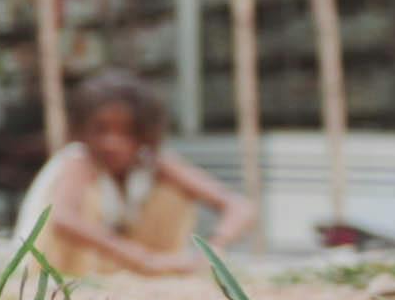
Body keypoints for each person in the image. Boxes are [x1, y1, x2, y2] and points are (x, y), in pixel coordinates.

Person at [16, 74, 236, 279]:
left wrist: (215, 245)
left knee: (173, 195)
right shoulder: (79, 160)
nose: (112, 143)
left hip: (120, 265)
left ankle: (159, 271)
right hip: (58, 267)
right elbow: (63, 219)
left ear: (144, 133)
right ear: (83, 129)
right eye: (101, 130)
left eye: (126, 132)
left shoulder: (152, 162)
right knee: (87, 200)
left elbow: (238, 206)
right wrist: (139, 257)